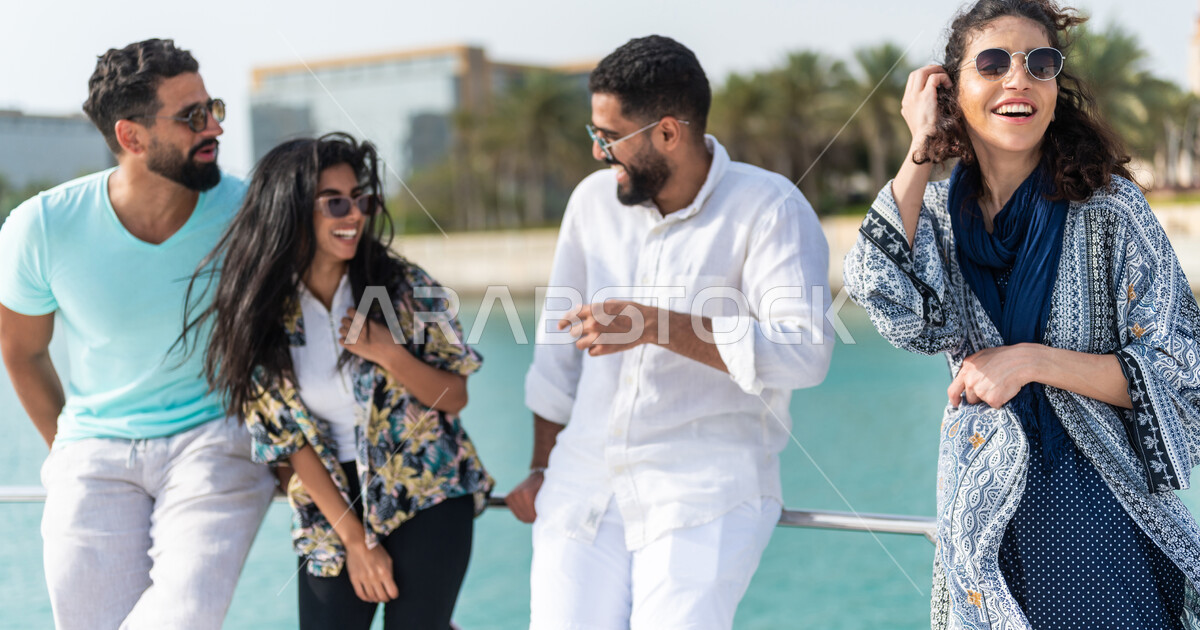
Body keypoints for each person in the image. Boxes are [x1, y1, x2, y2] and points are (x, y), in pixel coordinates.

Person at [844, 1, 1200, 627]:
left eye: (1040, 63)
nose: (1019, 79)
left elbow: (1182, 371)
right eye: (992, 63)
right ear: (951, 91)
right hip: (984, 534)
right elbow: (886, 300)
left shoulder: (1110, 210)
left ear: (1056, 89)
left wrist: (1031, 361)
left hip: (1102, 525)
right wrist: (921, 146)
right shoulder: (935, 220)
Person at [507, 35, 834, 629]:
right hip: (581, 487)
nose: (598, 151)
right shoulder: (590, 203)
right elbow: (557, 358)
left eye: (609, 136)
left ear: (666, 133)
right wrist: (539, 468)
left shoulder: (770, 208)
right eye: (594, 133)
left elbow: (804, 355)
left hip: (705, 492)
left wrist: (656, 324)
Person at [0, 39, 274, 629]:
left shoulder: (253, 213)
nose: (215, 127)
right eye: (192, 117)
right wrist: (67, 448)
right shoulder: (40, 227)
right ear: (132, 137)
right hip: (93, 452)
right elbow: (23, 352)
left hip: (216, 442)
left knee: (184, 615)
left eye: (213, 108)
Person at [181, 132, 491, 630]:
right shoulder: (257, 310)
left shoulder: (404, 287)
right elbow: (288, 439)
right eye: (335, 203)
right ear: (291, 209)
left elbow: (455, 396)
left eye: (360, 200)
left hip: (427, 488)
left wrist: (387, 351)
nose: (354, 215)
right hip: (330, 502)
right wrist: (355, 542)